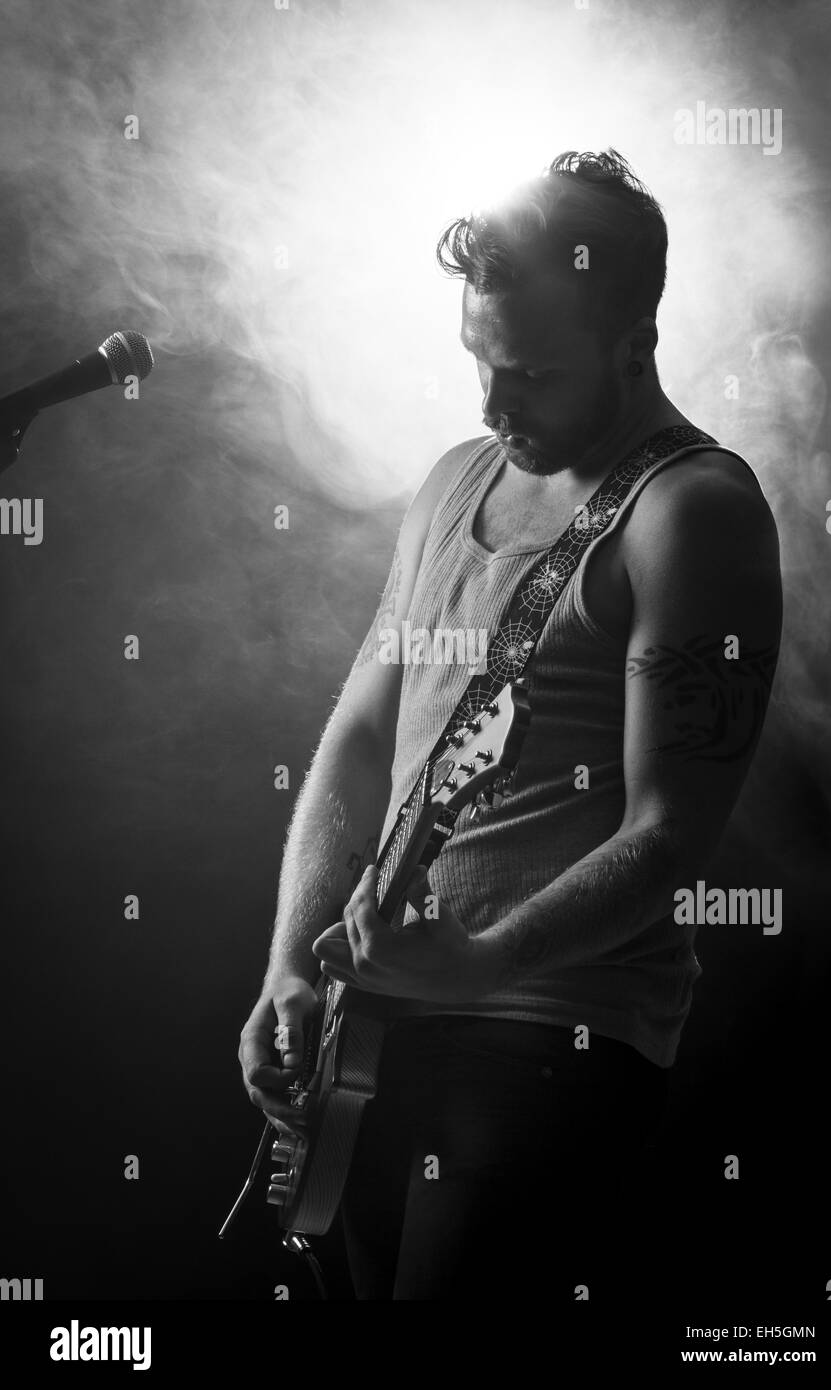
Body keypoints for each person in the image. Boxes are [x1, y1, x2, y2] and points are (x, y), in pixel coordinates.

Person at [238, 150, 782, 1300]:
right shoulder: (451, 479)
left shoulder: (693, 512)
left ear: (633, 338)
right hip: (369, 1028)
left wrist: (480, 959)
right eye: (478, 362)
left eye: (530, 372)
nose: (493, 406)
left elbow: (665, 835)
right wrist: (290, 959)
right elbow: (359, 739)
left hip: (549, 1036)